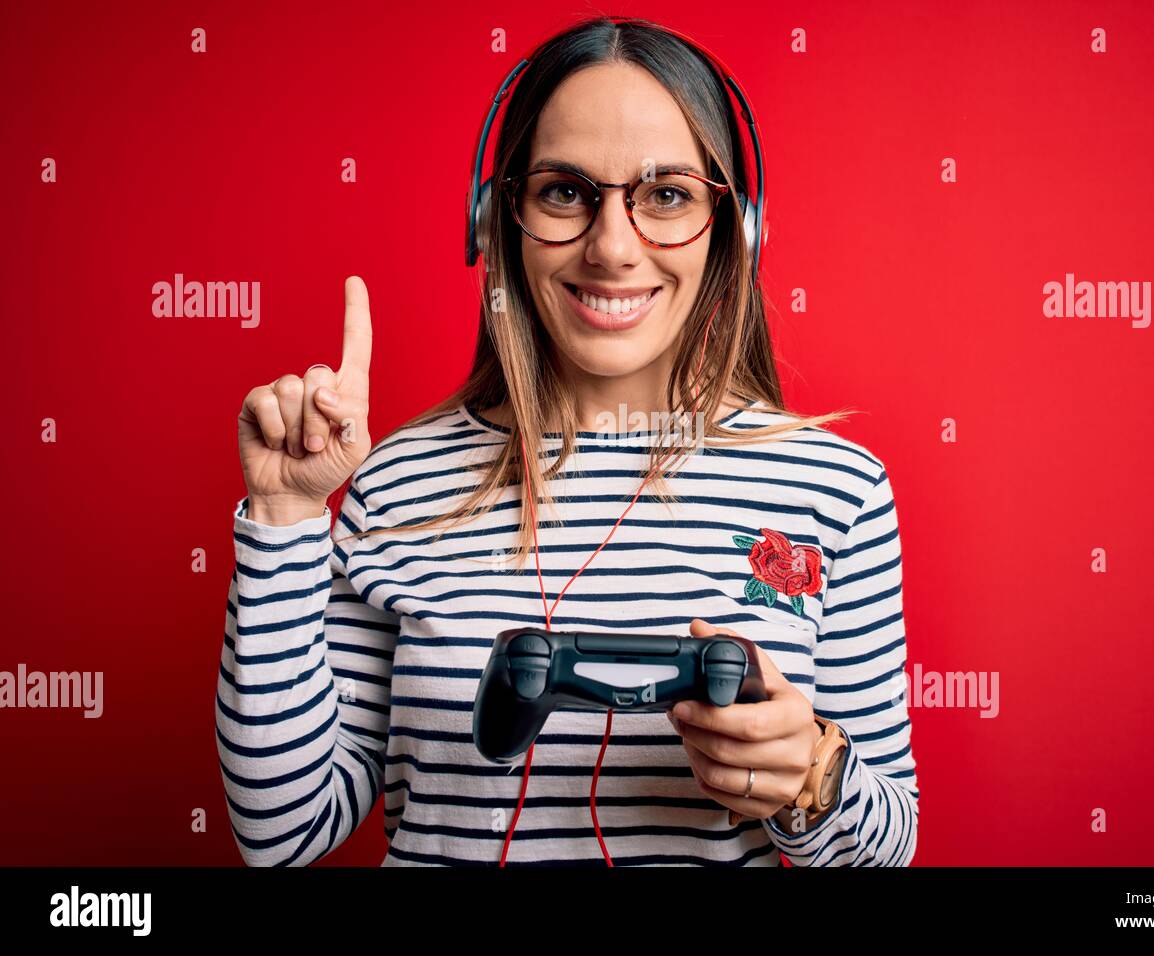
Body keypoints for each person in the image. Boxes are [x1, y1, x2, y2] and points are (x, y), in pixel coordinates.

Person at [216, 15, 917, 866]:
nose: (614, 247)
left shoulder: (833, 487)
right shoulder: (390, 482)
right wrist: (286, 517)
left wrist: (811, 774)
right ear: (498, 217)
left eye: (666, 195)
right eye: (565, 191)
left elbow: (889, 849)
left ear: (737, 228)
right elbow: (279, 831)